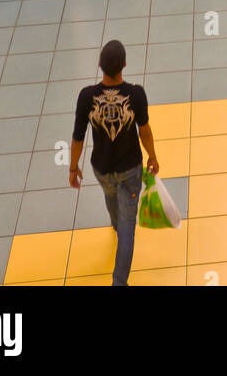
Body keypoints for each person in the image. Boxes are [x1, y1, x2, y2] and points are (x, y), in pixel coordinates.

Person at [70, 40, 159, 288]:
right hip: (130, 169)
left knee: (110, 195)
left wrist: (73, 167)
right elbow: (145, 132)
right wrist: (152, 156)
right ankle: (119, 282)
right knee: (129, 226)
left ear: (99, 65)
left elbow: (78, 136)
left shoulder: (87, 96)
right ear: (124, 65)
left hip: (101, 168)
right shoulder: (136, 94)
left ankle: (115, 223)